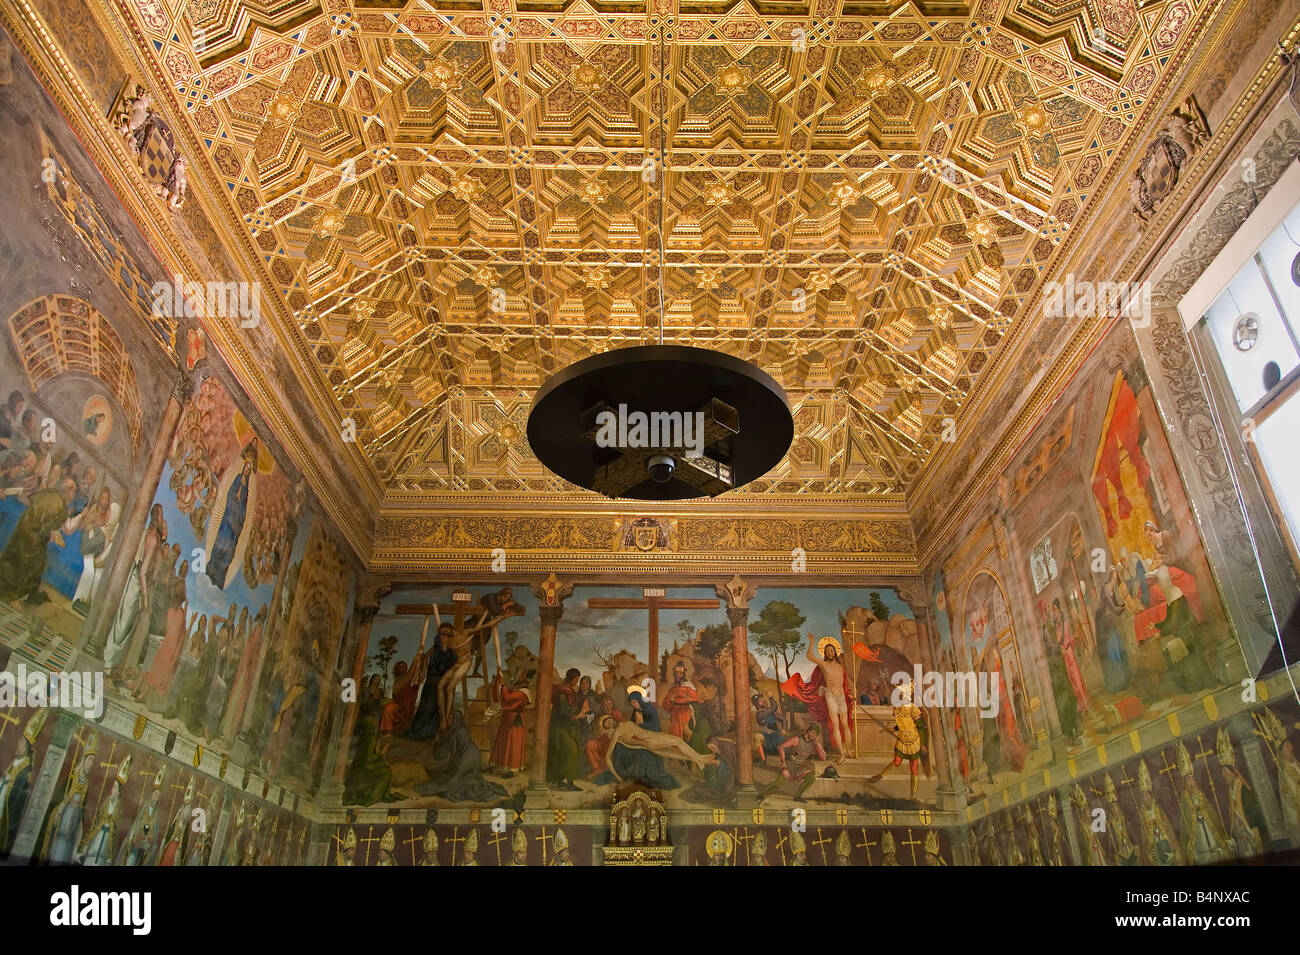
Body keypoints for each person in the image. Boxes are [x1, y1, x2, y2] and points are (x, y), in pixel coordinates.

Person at [0, 476, 77, 605]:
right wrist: (49, 534)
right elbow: (53, 525)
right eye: (73, 492)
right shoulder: (58, 504)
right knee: (35, 565)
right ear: (68, 492)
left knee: (14, 558)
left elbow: (33, 501)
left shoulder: (50, 494)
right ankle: (21, 593)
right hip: (32, 538)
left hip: (25, 528)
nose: (74, 495)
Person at [781, 635, 852, 761]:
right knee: (836, 725)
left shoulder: (841, 667)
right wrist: (812, 642)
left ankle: (848, 750)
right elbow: (809, 656)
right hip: (830, 696)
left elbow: (845, 684)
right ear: (825, 653)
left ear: (835, 652)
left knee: (845, 725)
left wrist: (850, 694)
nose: (830, 653)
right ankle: (842, 754)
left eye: (832, 650)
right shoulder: (823, 664)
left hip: (841, 697)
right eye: (827, 651)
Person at [868, 678, 929, 801]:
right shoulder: (897, 708)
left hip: (914, 740)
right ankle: (880, 775)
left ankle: (913, 796)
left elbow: (921, 726)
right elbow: (901, 723)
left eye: (903, 692)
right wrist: (893, 729)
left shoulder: (912, 708)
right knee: (896, 762)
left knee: (914, 769)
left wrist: (922, 744)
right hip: (902, 739)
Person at [758, 724, 825, 803]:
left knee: (811, 778)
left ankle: (797, 796)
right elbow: (781, 747)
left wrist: (817, 743)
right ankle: (762, 795)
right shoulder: (797, 739)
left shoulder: (813, 744)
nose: (814, 735)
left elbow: (823, 757)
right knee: (777, 784)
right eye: (813, 733)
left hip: (801, 767)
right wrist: (783, 762)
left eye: (816, 734)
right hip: (790, 765)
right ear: (808, 731)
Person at [488, 668, 534, 777]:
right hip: (508, 718)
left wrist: (503, 685)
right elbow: (504, 696)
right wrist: (499, 681)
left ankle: (510, 771)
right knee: (502, 742)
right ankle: (496, 765)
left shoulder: (524, 693)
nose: (518, 678)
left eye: (521, 676)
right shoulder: (519, 689)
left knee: (513, 744)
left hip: (515, 720)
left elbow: (508, 698)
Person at [546, 668, 586, 790]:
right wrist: (576, 716)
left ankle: (561, 781)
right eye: (576, 679)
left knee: (568, 752)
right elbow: (563, 712)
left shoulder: (570, 691)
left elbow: (573, 705)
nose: (577, 682)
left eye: (578, 679)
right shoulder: (563, 693)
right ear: (572, 679)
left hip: (570, 727)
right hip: (562, 728)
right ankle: (568, 783)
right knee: (571, 751)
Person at [660, 661, 700, 739]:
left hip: (685, 714)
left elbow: (695, 700)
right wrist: (671, 702)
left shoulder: (688, 685)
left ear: (683, 673)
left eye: (680, 673)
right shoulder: (673, 688)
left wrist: (683, 700)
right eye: (676, 673)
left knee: (685, 736)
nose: (678, 674)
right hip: (675, 715)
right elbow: (666, 703)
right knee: (675, 736)